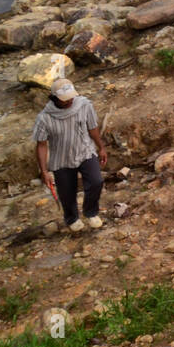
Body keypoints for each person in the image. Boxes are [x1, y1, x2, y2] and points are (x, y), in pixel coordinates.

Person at [33, 78, 107, 233]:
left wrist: (101, 147)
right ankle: (72, 218)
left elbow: (92, 128)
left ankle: (91, 211)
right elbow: (41, 145)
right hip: (61, 159)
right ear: (54, 98)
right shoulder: (44, 118)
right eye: (65, 99)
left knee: (96, 181)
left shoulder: (84, 105)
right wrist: (44, 171)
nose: (69, 101)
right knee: (67, 193)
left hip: (85, 151)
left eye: (71, 97)